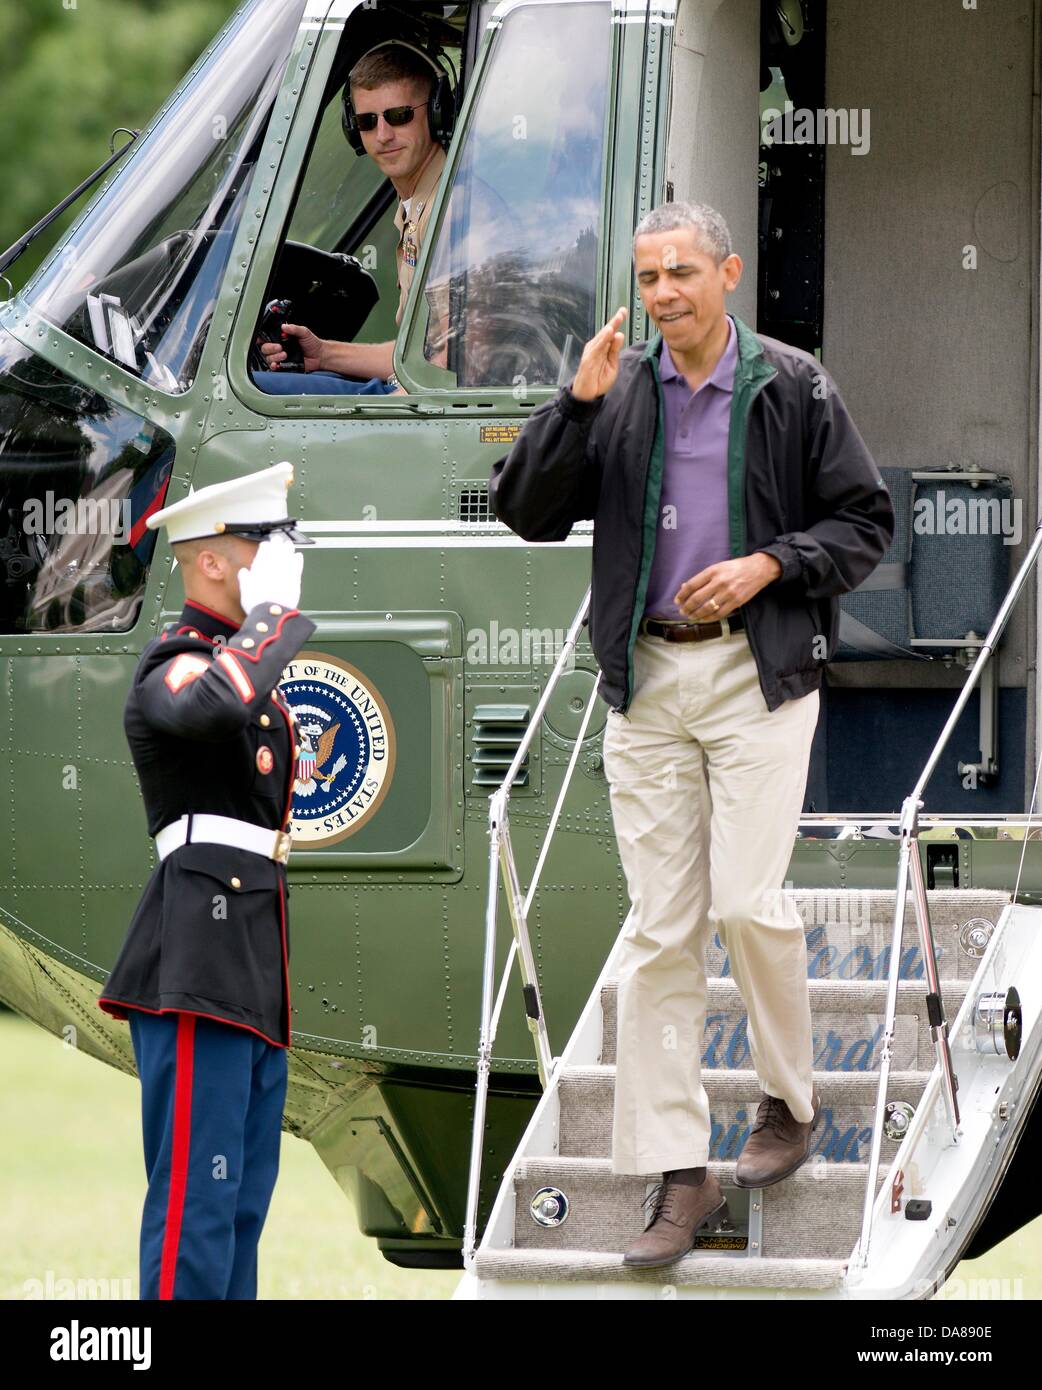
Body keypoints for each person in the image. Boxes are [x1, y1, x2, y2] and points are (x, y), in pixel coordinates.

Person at [489, 201, 895, 1269]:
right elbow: (524, 511)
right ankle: (678, 1168)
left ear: (726, 272)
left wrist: (769, 564)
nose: (662, 293)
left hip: (758, 675)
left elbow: (865, 524)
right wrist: (571, 409)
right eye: (647, 277)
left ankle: (789, 1099)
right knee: (660, 929)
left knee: (743, 902)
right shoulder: (616, 391)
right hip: (648, 680)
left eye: (681, 273)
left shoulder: (796, 385)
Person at [97, 461, 317, 1299]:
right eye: (262, 543)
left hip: (251, 956)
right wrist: (271, 621)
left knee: (240, 1206)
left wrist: (263, 628)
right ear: (215, 561)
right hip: (196, 955)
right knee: (196, 1200)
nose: (280, 561)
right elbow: (210, 710)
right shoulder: (174, 667)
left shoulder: (236, 668)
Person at [254, 41, 452, 396]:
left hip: (429, 411)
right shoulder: (417, 203)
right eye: (367, 121)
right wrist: (323, 354)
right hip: (420, 392)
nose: (383, 135)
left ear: (436, 112)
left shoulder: (450, 211)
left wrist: (380, 419)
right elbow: (417, 358)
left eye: (399, 115)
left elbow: (452, 368)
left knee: (253, 392)